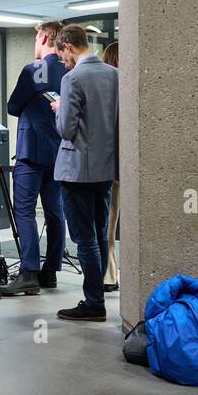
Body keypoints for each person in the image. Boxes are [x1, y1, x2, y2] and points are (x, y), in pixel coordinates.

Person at [50, 24, 118, 322]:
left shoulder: (72, 78)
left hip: (77, 170)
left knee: (85, 238)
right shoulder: (114, 75)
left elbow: (66, 129)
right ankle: (97, 295)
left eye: (60, 53)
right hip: (105, 168)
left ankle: (93, 302)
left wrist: (59, 107)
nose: (61, 60)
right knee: (101, 234)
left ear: (67, 46)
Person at [0, 20, 67, 296]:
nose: (34, 44)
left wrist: (31, 101)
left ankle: (29, 272)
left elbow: (13, 106)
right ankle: (50, 272)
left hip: (31, 152)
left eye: (36, 38)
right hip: (59, 151)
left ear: (45, 38)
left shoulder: (33, 70)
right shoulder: (68, 71)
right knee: (55, 212)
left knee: (25, 211)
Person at [100, 41, 121, 293]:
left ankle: (108, 276)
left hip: (109, 167)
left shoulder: (108, 90)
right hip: (124, 167)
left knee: (106, 225)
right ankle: (111, 274)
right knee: (111, 225)